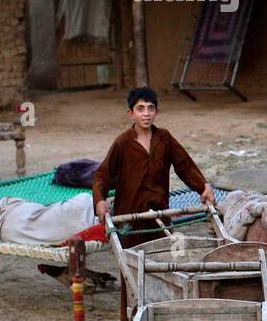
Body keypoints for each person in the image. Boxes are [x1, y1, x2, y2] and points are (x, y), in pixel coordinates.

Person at [92, 87, 215, 249]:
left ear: (157, 112)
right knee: (131, 263)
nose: (146, 113)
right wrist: (100, 200)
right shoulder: (122, 143)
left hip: (160, 213)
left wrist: (203, 186)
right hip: (130, 217)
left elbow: (184, 166)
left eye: (151, 108)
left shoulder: (165, 138)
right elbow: (103, 175)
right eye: (140, 109)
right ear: (131, 114)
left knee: (162, 258)